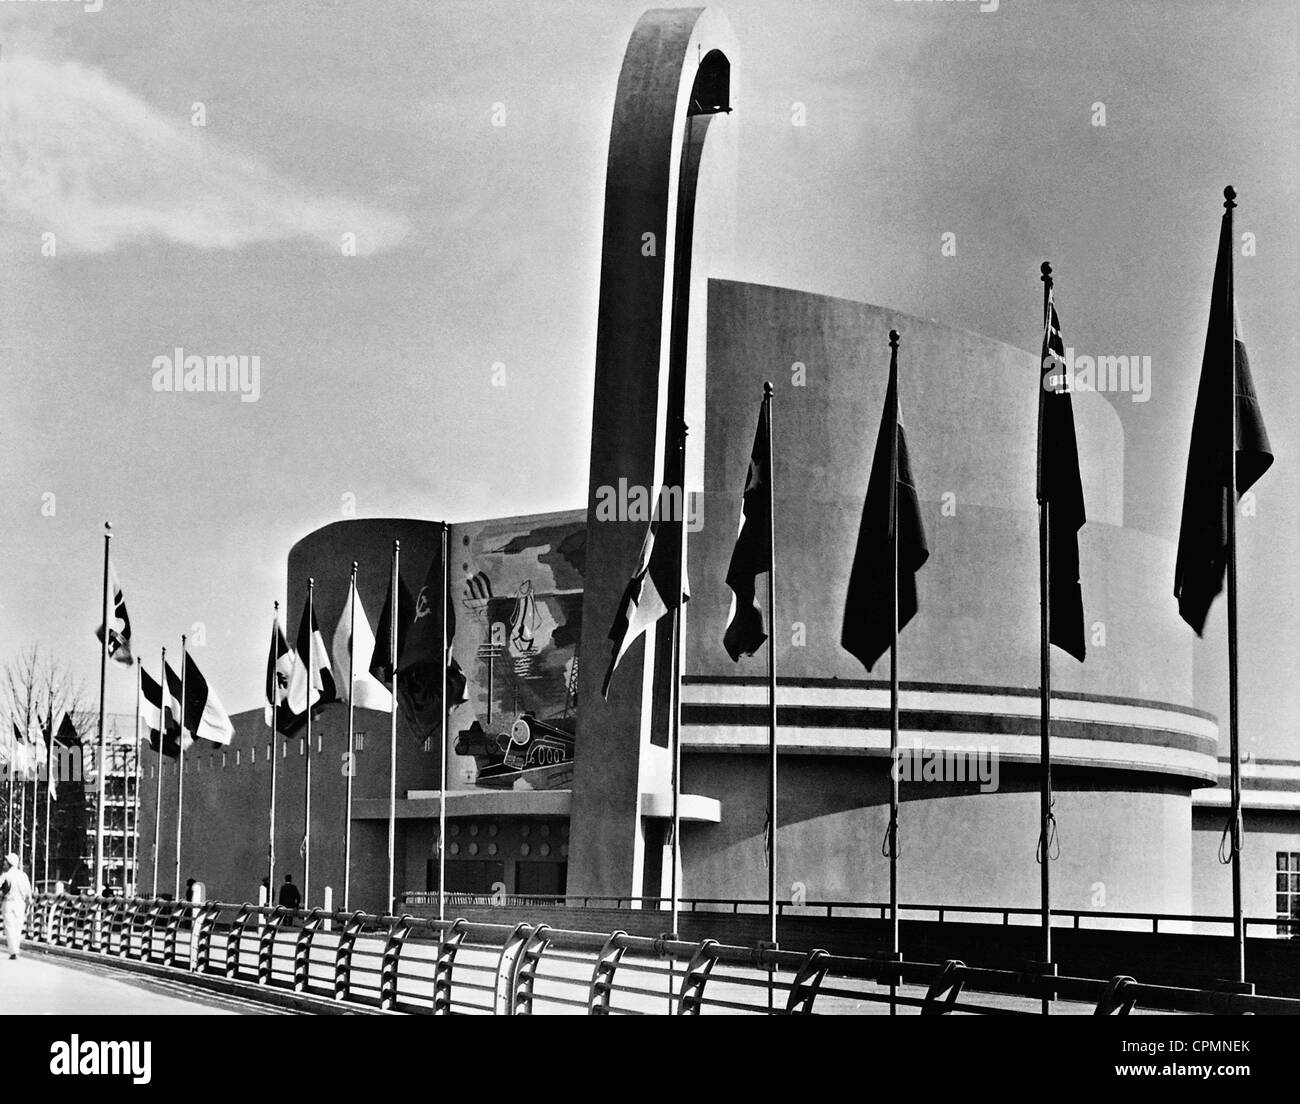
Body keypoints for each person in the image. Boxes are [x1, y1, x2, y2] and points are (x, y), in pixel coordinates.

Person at [0, 854, 33, 960]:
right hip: (20, 904)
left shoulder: (5, 875)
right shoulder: (23, 875)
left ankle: (13, 951)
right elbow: (28, 892)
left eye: (5, 862)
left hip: (8, 902)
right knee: (18, 928)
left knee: (9, 927)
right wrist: (28, 904)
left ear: (10, 864)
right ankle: (16, 949)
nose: (3, 864)